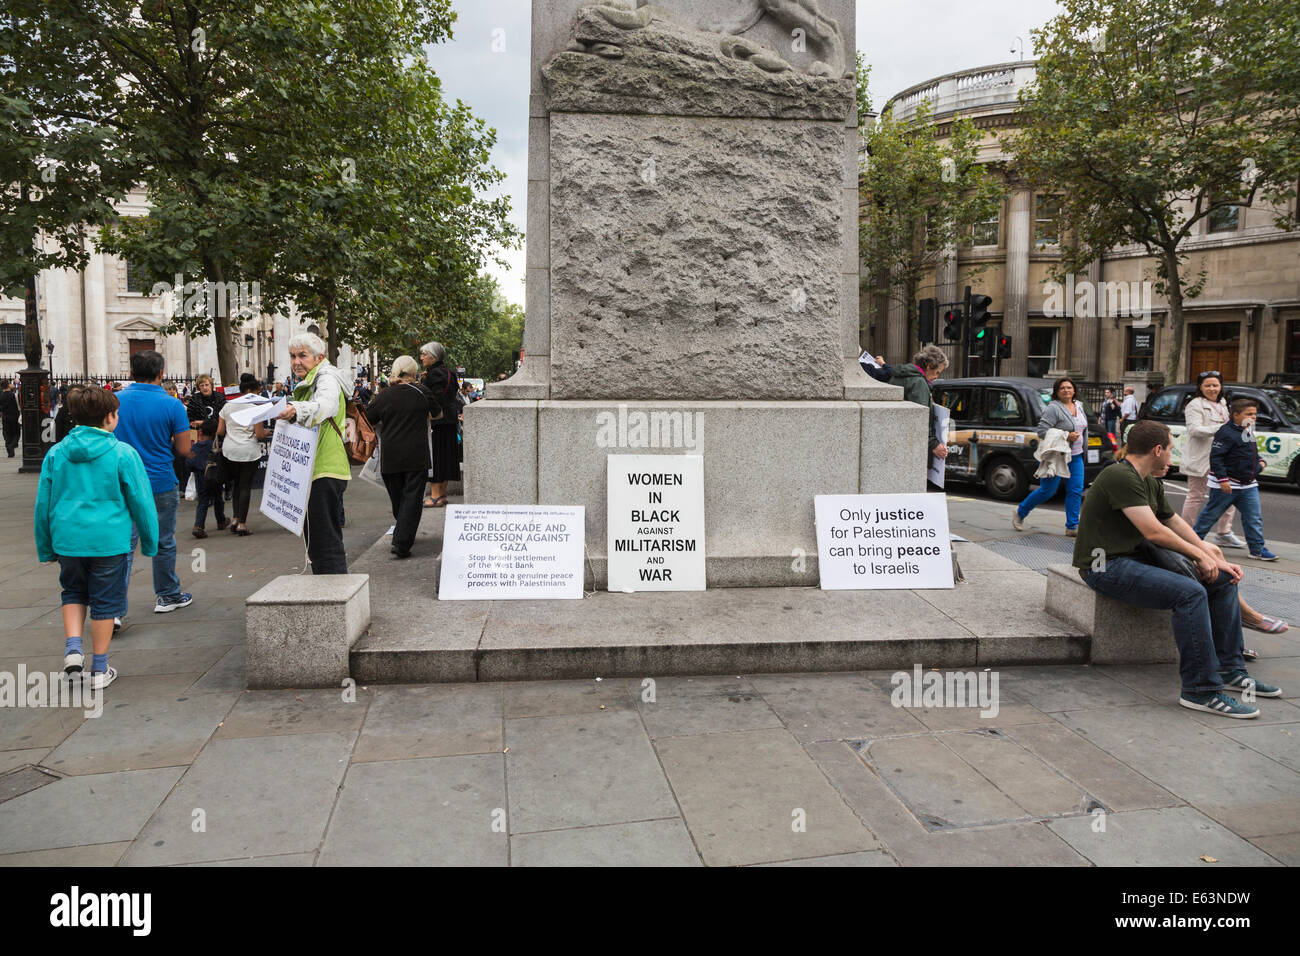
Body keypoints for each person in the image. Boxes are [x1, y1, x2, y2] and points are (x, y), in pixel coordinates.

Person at [1075, 420, 1280, 717]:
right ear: (1158, 450)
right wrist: (1199, 556)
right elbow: (1154, 532)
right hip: (1103, 565)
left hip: (1134, 558)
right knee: (1190, 593)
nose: (1172, 458)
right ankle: (1200, 690)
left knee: (1222, 580)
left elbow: (1172, 521)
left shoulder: (1149, 479)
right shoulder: (1119, 476)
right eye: (1171, 450)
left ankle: (1229, 670)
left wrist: (1210, 554)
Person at [35, 386, 158, 690]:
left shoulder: (56, 454)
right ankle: (100, 669)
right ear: (110, 417)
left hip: (68, 539)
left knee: (73, 592)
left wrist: (45, 545)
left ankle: (74, 649)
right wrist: (150, 540)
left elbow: (43, 504)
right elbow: (142, 502)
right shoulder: (123, 454)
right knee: (106, 602)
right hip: (108, 540)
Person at [115, 350, 194, 614]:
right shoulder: (173, 405)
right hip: (159, 479)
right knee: (163, 540)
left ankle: (112, 608)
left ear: (130, 374)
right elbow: (184, 450)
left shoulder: (114, 401)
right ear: (161, 374)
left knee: (123, 544)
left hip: (122, 481)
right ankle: (167, 595)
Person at [277, 332, 354, 573]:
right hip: (318, 468)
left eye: (303, 355)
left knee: (324, 542)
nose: (296, 361)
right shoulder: (318, 376)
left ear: (318, 357)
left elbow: (326, 405)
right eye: (292, 356)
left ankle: (333, 597)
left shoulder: (326, 378)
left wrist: (295, 409)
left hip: (324, 468)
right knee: (321, 539)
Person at [365, 356, 444, 558]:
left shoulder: (384, 395)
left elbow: (368, 419)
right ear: (413, 372)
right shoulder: (422, 391)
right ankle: (402, 540)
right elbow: (438, 414)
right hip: (416, 454)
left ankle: (402, 535)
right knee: (412, 499)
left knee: (399, 499)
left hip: (391, 455)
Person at [1193, 398, 1276, 561]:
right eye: (1249, 414)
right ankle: (1193, 543)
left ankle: (1257, 549)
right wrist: (1223, 479)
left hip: (1248, 484)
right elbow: (1216, 457)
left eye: (1255, 414)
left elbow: (1250, 451)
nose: (1253, 417)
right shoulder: (1225, 433)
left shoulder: (1248, 429)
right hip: (1227, 484)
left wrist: (1260, 462)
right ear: (1236, 415)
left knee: (1254, 517)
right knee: (1210, 515)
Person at [1013, 377, 1088, 536]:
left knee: (1075, 490)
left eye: (1069, 387)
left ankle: (1072, 526)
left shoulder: (1079, 406)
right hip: (1056, 457)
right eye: (1062, 388)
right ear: (1057, 392)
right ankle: (1020, 512)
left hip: (1075, 456)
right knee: (1047, 491)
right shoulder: (1053, 408)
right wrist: (1066, 435)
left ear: (1074, 390)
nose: (1066, 390)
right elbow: (1041, 431)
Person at [1181, 372, 1244, 549]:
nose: (1212, 389)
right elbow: (1195, 430)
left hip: (1224, 458)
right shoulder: (1194, 405)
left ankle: (1224, 533)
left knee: (1228, 494)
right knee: (1196, 496)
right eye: (1207, 385)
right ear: (1200, 387)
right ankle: (1186, 534)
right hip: (1202, 458)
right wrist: (1224, 427)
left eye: (1215, 385)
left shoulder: (1223, 404)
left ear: (1221, 386)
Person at [218, 373, 269, 536]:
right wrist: (266, 431)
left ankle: (234, 517)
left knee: (236, 485)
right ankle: (242, 523)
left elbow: (220, 431)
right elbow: (260, 434)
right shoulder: (255, 409)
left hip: (230, 449)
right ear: (249, 391)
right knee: (245, 485)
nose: (259, 396)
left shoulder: (227, 406)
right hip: (248, 450)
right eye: (257, 393)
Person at [892, 345, 949, 473]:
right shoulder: (918, 383)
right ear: (929, 366)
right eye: (937, 372)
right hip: (911, 448)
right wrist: (933, 444)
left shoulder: (898, 377)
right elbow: (920, 419)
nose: (936, 377)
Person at [420, 341, 460, 508]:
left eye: (424, 354)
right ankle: (441, 494)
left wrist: (422, 385)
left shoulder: (433, 375)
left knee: (435, 458)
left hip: (437, 422)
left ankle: (435, 496)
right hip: (450, 421)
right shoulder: (449, 372)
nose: (421, 358)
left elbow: (433, 400)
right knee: (446, 458)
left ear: (433, 357)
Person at [187, 418, 228, 538]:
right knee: (218, 498)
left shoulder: (195, 447)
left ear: (201, 432)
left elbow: (189, 463)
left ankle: (198, 526)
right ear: (216, 432)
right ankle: (221, 520)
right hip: (215, 477)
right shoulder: (217, 446)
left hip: (201, 478)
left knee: (203, 501)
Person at [1, 380, 20, 457]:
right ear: (8, 385)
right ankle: (12, 445)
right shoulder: (13, 395)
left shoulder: (1, 395)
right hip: (14, 416)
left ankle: (10, 452)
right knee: (16, 432)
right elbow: (18, 406)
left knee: (7, 433)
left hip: (5, 416)